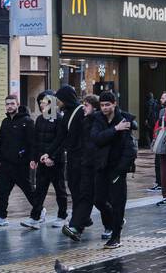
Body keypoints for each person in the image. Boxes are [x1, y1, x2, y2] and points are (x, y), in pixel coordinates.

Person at [87, 91, 137, 248]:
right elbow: (96, 139)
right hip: (101, 166)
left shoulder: (125, 120)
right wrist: (115, 129)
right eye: (102, 105)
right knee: (99, 200)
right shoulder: (97, 119)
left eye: (107, 104)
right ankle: (116, 220)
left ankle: (116, 236)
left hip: (117, 168)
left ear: (114, 104)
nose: (104, 108)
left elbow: (130, 148)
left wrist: (121, 169)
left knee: (118, 202)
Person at [22, 91, 70, 229]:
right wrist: (34, 158)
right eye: (41, 102)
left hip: (56, 162)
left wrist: (52, 157)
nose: (41, 104)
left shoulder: (60, 119)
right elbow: (36, 141)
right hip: (42, 161)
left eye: (44, 102)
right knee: (39, 190)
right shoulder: (40, 119)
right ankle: (35, 217)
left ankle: (62, 216)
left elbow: (61, 141)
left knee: (60, 189)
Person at [43, 85, 89, 225]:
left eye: (59, 99)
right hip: (73, 157)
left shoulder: (81, 112)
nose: (57, 102)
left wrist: (51, 153)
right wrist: (48, 153)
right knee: (74, 189)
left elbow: (68, 138)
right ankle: (80, 219)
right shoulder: (66, 114)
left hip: (83, 158)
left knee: (84, 192)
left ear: (66, 99)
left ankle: (80, 220)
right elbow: (60, 138)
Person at [0, 95, 34, 227]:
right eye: (7, 104)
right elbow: (2, 143)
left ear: (18, 104)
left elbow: (32, 143)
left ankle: (39, 210)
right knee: (2, 191)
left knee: (28, 190)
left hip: (21, 164)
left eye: (12, 104)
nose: (9, 106)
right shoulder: (5, 122)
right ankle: (1, 216)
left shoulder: (27, 121)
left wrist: (32, 159)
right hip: (6, 164)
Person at [62, 96, 101, 241]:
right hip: (86, 164)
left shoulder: (100, 121)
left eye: (86, 105)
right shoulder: (85, 121)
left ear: (95, 107)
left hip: (100, 166)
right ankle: (76, 227)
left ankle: (114, 223)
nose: (83, 108)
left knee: (101, 200)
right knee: (85, 195)